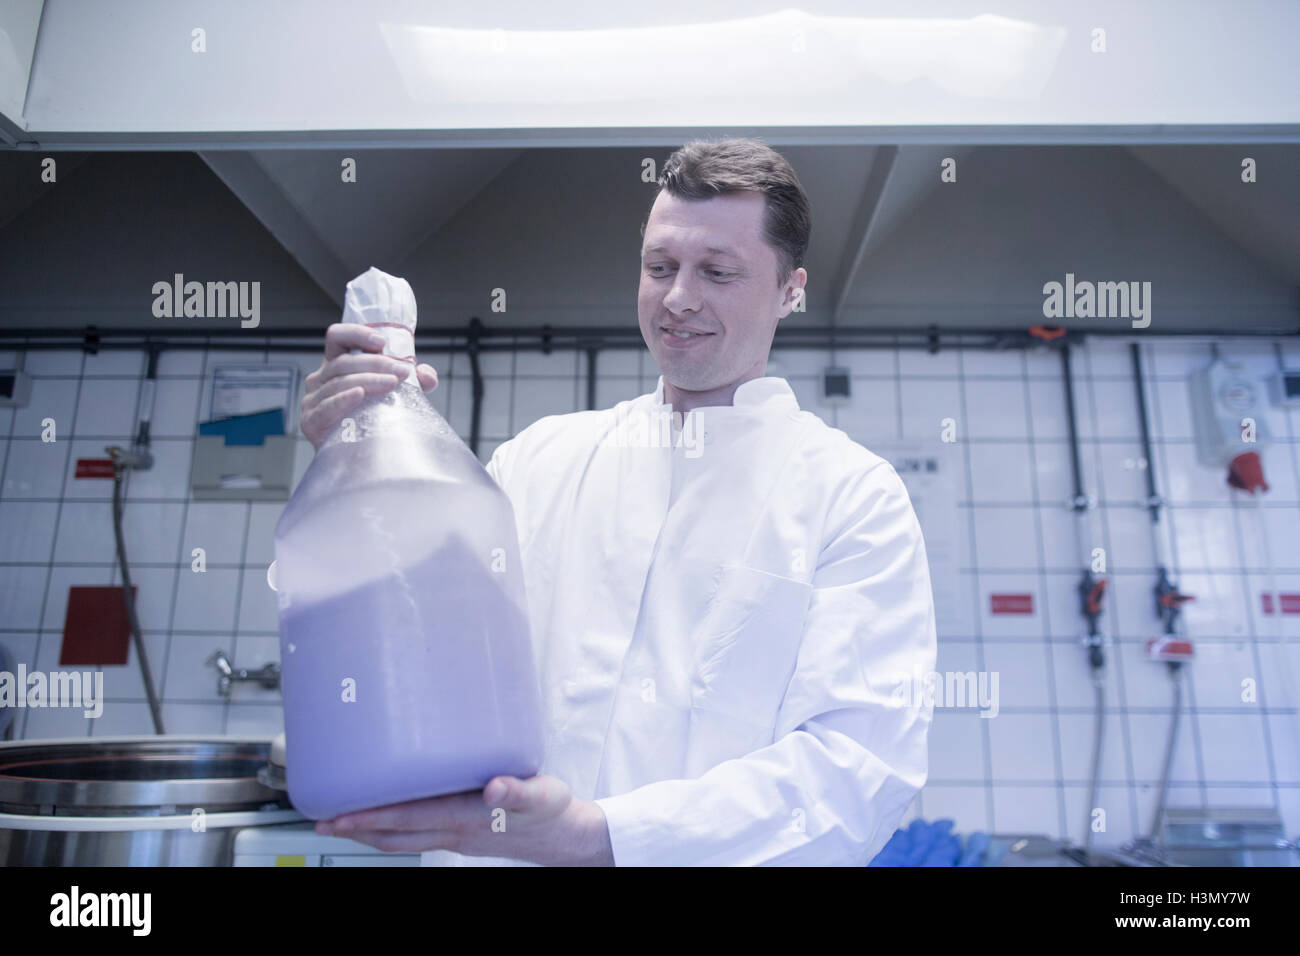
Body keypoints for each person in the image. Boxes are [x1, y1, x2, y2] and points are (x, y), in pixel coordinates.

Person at [299, 138, 937, 866]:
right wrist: (349, 464)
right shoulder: (536, 461)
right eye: (660, 267)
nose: (678, 297)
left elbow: (855, 774)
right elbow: (404, 645)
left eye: (718, 272)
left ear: (791, 290)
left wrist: (598, 836)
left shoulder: (850, 494)